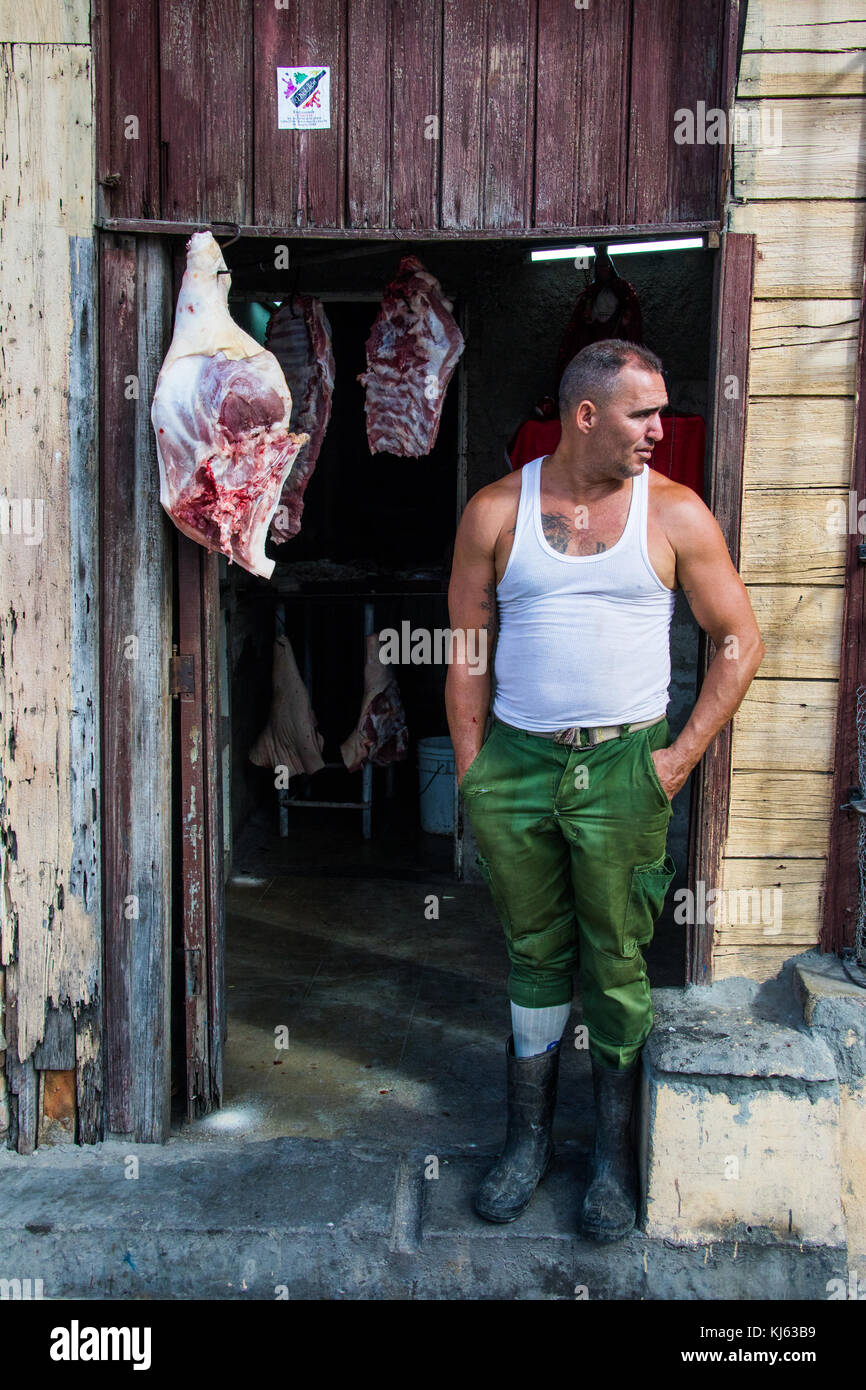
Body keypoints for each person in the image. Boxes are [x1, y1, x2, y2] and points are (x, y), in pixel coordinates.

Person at [444, 339, 764, 1241]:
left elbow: (740, 641)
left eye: (661, 411)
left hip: (625, 768)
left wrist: (674, 761)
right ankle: (526, 1143)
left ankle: (613, 1162)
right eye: (643, 413)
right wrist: (474, 773)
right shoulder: (496, 510)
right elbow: (466, 650)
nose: (661, 430)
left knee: (616, 960)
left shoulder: (676, 515)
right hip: (517, 764)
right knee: (534, 955)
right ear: (586, 415)